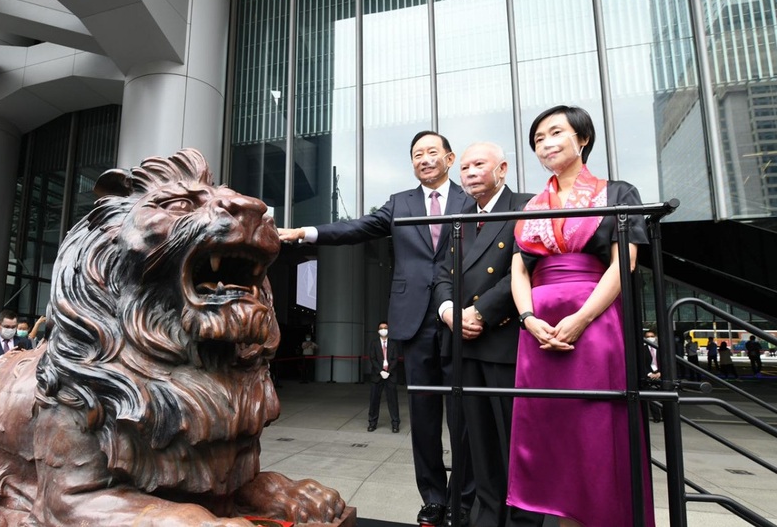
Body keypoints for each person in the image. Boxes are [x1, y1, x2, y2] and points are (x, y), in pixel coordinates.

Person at [278, 130, 473, 526]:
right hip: (415, 318)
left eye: (432, 152)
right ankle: (434, 498)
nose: (424, 159)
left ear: (450, 159)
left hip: (462, 317)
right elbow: (356, 228)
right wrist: (304, 233)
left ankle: (463, 499)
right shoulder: (400, 204)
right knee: (423, 414)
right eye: (417, 154)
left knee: (463, 413)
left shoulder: (471, 201)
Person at [508, 105, 655, 526]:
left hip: (594, 321)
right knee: (548, 427)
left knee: (594, 427)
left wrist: (582, 319)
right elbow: (520, 268)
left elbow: (622, 264)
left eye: (555, 133)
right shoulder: (533, 205)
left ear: (583, 139)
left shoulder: (617, 192)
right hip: (538, 330)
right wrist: (528, 319)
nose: (546, 143)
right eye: (538, 139)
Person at [433, 142, 542, 527]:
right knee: (476, 443)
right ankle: (487, 516)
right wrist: (449, 312)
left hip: (503, 341)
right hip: (462, 342)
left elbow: (525, 268)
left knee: (514, 442)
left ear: (503, 169)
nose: (470, 172)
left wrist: (480, 312)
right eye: (464, 168)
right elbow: (441, 272)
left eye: (479, 164)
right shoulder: (459, 215)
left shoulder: (525, 207)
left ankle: (522, 520)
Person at [368, 322, 400, 433]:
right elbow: (372, 358)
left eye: (385, 328)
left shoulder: (394, 344)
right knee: (374, 401)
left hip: (390, 376)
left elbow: (395, 359)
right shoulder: (374, 343)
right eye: (381, 328)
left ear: (388, 330)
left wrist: (388, 371)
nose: (383, 330)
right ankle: (372, 423)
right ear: (378, 331)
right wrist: (380, 371)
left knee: (393, 401)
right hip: (377, 376)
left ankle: (395, 424)